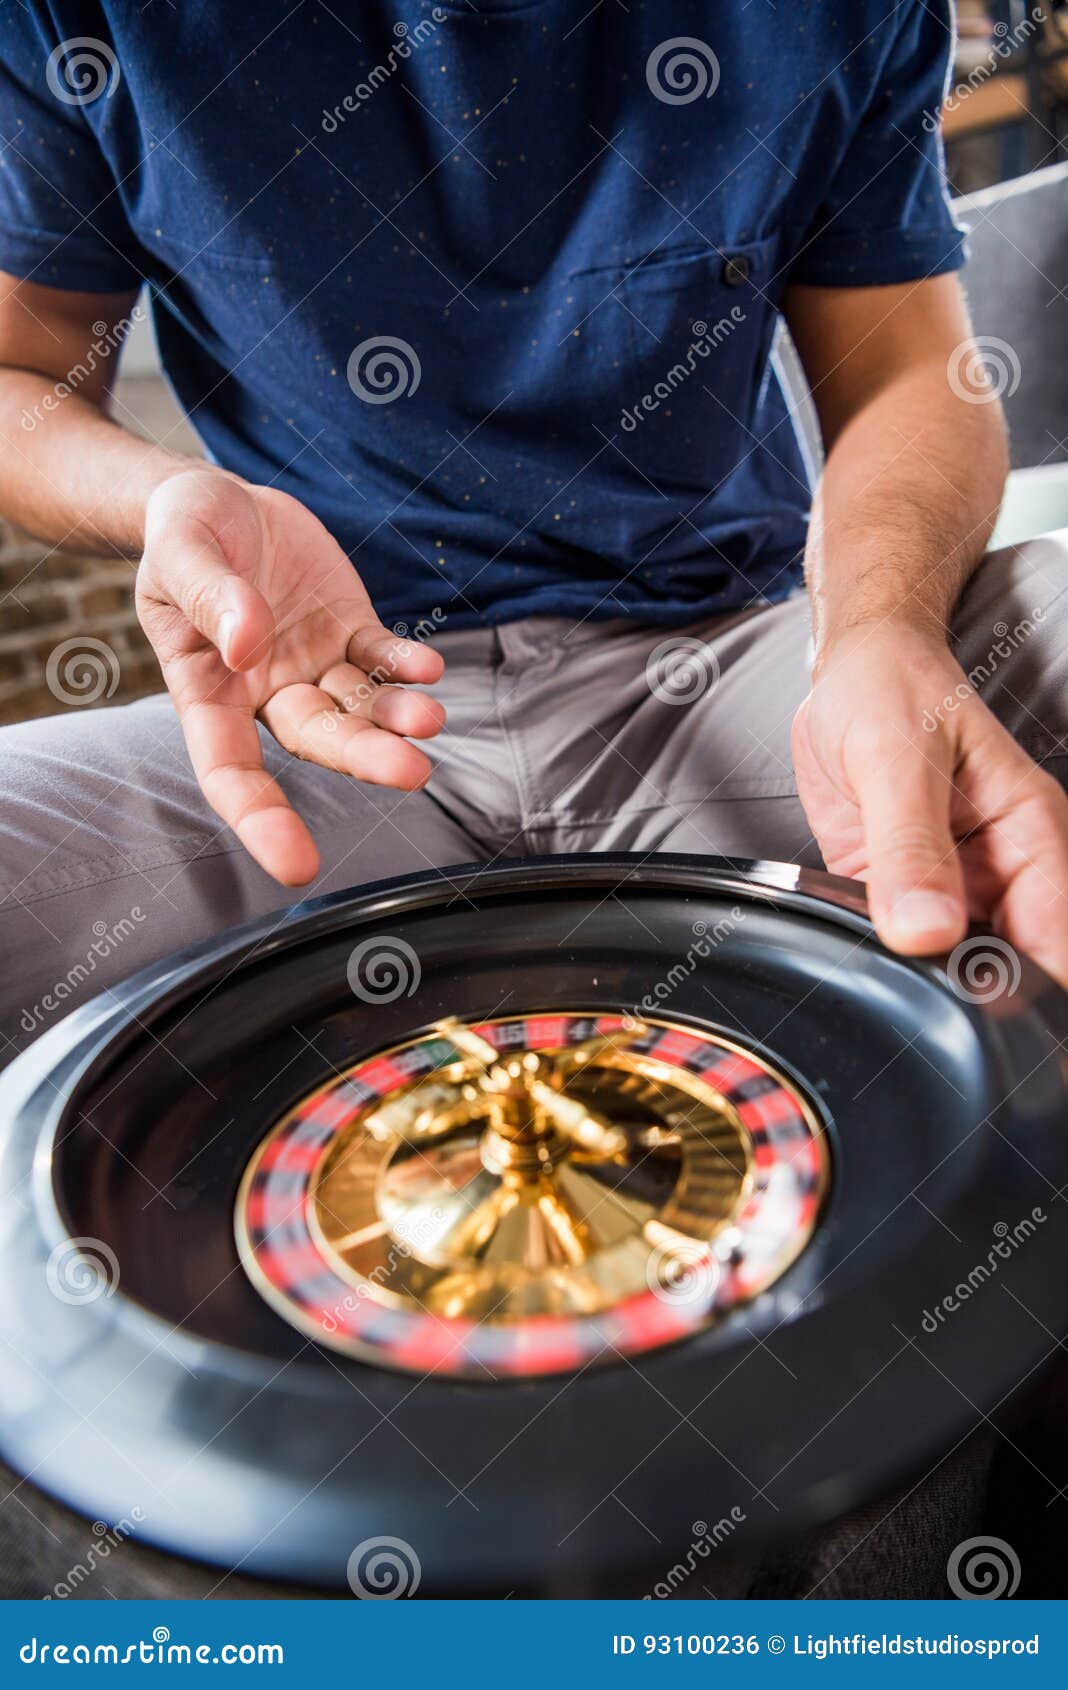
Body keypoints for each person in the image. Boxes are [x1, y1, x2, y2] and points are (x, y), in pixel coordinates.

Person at [0, 0, 1063, 1596]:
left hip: (735, 670)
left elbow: (910, 364)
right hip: (331, 713)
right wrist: (169, 500)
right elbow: (16, 369)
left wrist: (885, 631)